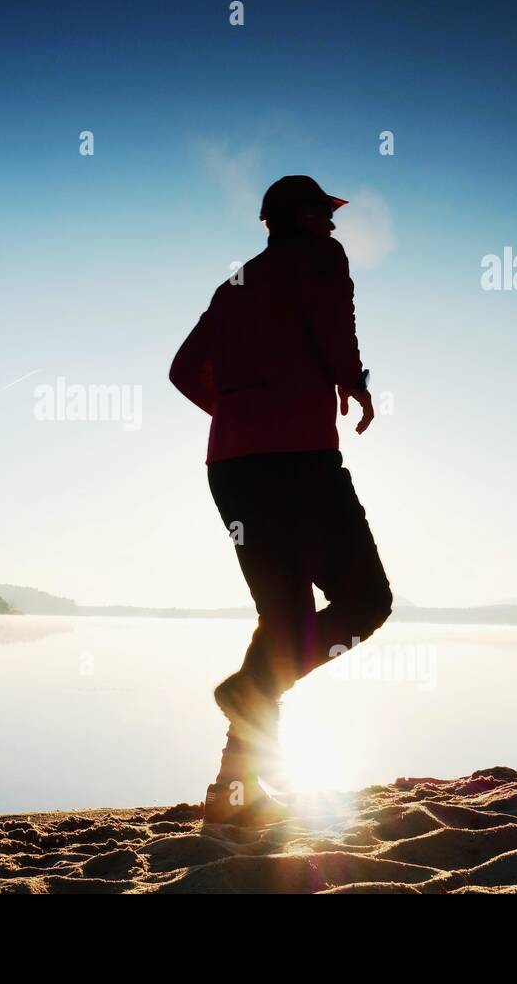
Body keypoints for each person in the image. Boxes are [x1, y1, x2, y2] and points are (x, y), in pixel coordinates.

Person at [169, 175, 393, 826]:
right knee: (367, 601)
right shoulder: (319, 258)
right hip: (299, 463)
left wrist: (240, 413)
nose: (334, 227)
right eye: (326, 214)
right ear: (303, 214)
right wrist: (354, 384)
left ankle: (231, 792)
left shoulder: (232, 284)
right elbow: (335, 325)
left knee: (283, 617)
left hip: (232, 470)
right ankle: (248, 692)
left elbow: (183, 369)